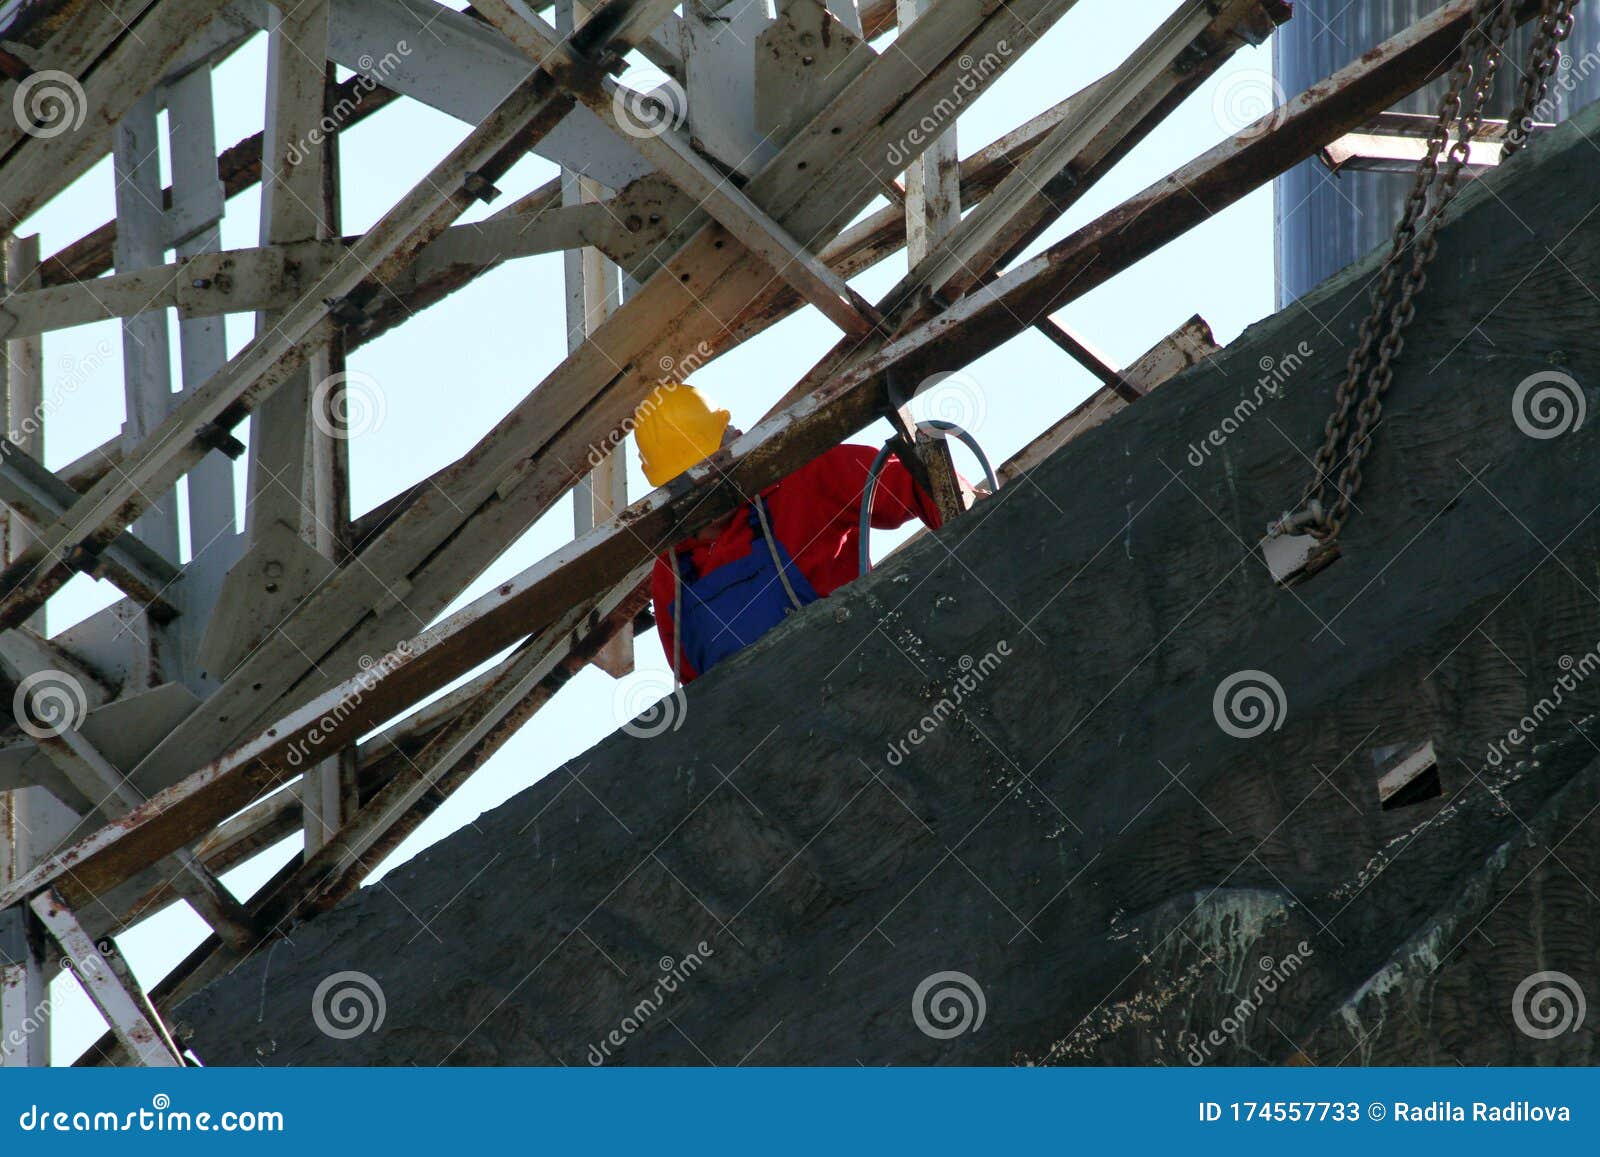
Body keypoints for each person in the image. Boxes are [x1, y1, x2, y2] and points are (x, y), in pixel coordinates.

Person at [635, 381, 948, 684]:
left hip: (869, 684)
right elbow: (700, 694)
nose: (705, 487)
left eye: (710, 465)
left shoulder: (804, 480)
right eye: (687, 482)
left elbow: (925, 485)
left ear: (736, 440)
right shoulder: (672, 575)